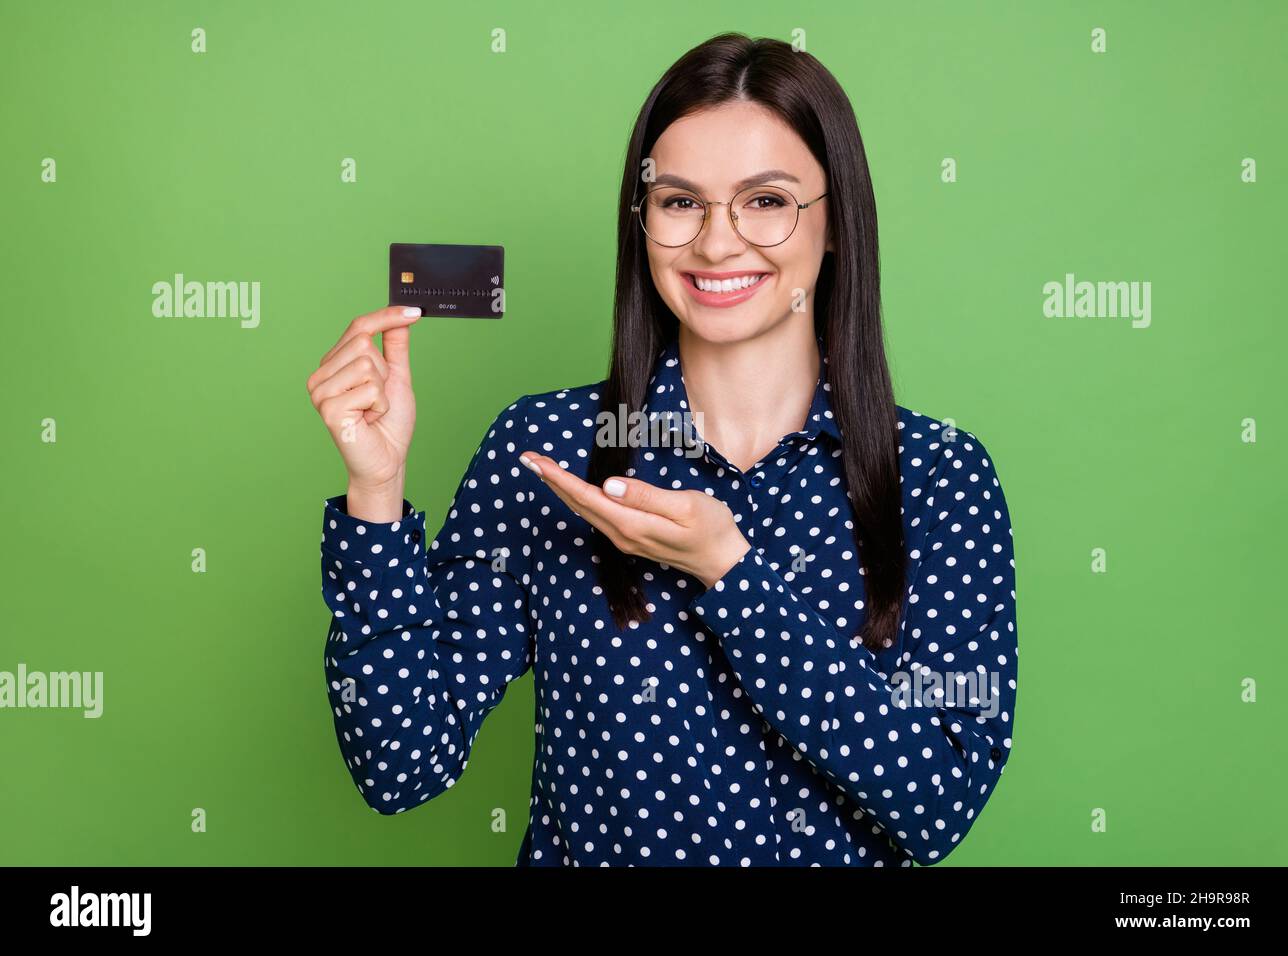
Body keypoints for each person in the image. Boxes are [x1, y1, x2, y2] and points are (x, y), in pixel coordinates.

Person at [306, 32, 1017, 866]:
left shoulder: (939, 477)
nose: (717, 244)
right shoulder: (550, 449)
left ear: (834, 228)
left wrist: (732, 574)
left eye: (766, 201)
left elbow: (937, 806)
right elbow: (401, 767)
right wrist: (377, 493)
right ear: (642, 222)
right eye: (680, 202)